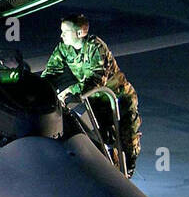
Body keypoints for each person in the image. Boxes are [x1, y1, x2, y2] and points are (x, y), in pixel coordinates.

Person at [43, 14, 141, 176]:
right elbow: (51, 73)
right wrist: (41, 89)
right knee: (103, 141)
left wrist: (71, 91)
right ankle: (113, 173)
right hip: (96, 101)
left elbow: (96, 80)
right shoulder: (64, 48)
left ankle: (126, 173)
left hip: (119, 98)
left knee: (126, 142)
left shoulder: (96, 47)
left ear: (80, 33)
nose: (61, 36)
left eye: (65, 32)